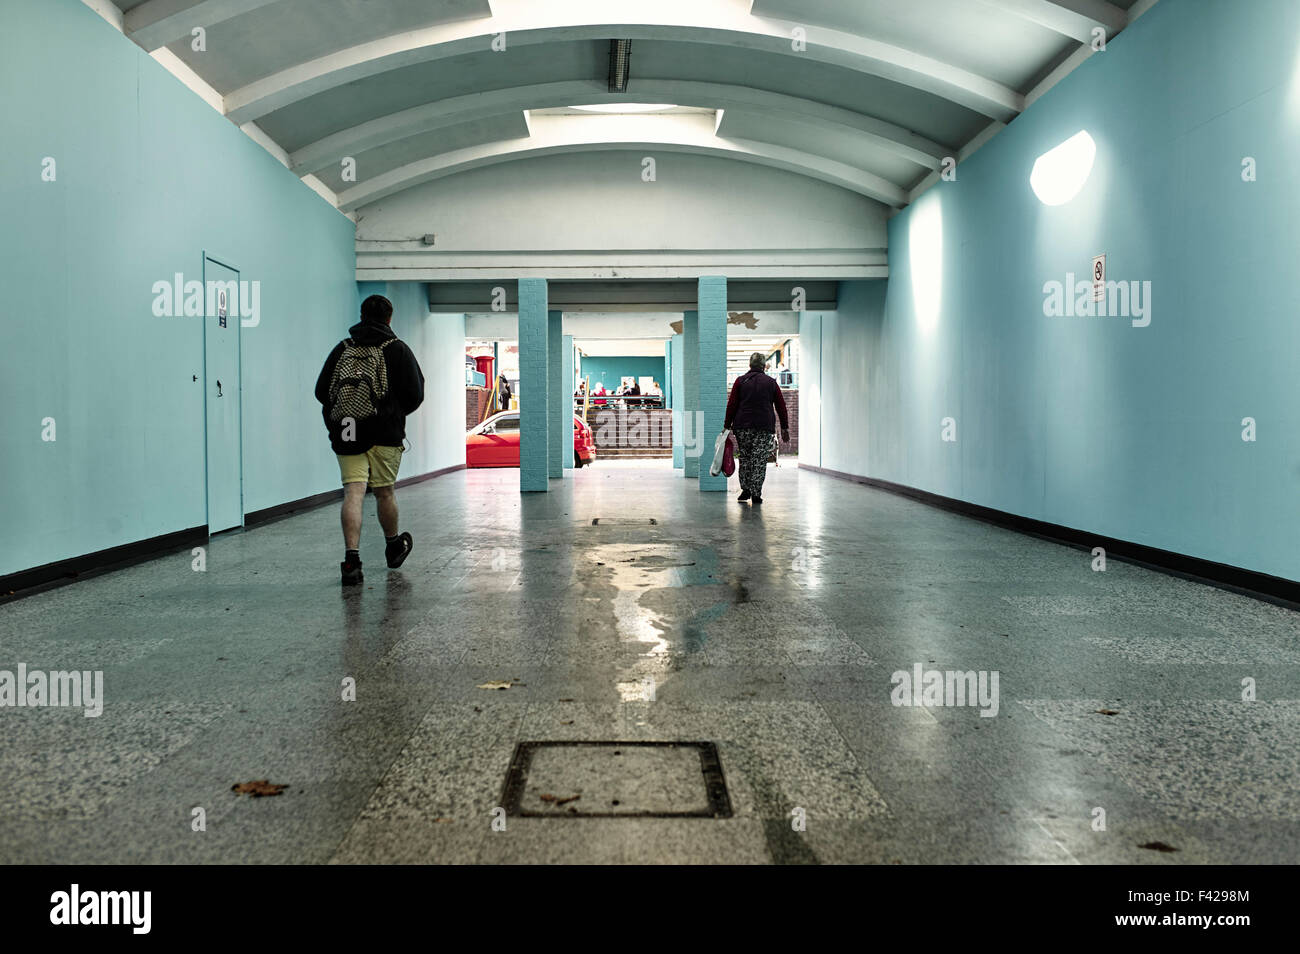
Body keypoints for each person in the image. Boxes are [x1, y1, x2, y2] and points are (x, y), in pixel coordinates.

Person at [315, 294, 425, 585]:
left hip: (347, 432)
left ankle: (351, 561)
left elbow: (321, 391)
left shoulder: (343, 349)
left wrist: (340, 416)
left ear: (361, 315)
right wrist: (391, 412)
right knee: (384, 492)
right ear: (390, 318)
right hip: (385, 434)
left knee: (353, 492)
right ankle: (392, 547)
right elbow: (415, 395)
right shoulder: (397, 349)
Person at [724, 352, 789, 505]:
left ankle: (746, 490)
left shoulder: (740, 381)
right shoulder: (771, 382)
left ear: (750, 365)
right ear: (764, 366)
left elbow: (732, 405)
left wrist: (726, 425)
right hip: (763, 427)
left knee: (745, 458)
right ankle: (756, 493)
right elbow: (781, 406)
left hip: (742, 427)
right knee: (759, 459)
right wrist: (785, 427)